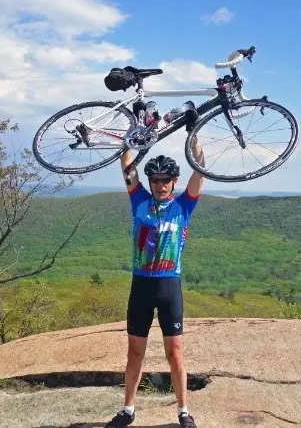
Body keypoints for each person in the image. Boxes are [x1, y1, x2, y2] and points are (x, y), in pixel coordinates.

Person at [105, 136, 204, 428]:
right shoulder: (139, 200)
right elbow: (127, 165)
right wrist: (130, 136)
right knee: (135, 352)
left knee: (175, 353)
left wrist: (195, 140)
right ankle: (128, 410)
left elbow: (200, 172)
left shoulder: (184, 206)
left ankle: (184, 411)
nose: (160, 185)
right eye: (155, 180)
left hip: (169, 287)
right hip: (142, 287)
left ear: (174, 182)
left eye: (166, 180)